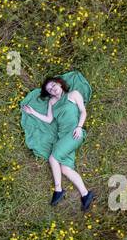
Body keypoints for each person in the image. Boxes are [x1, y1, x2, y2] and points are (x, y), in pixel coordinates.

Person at [20, 72, 95, 209]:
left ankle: (58, 189)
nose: (52, 89)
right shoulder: (52, 101)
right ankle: (86, 194)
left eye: (53, 85)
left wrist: (79, 127)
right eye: (49, 89)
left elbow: (83, 111)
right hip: (62, 136)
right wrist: (33, 113)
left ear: (59, 83)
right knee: (65, 169)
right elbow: (49, 120)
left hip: (74, 133)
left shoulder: (73, 94)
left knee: (53, 159)